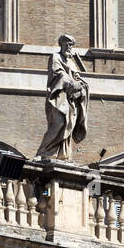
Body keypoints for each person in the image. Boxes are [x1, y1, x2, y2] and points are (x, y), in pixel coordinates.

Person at [35, 34, 89, 162]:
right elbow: (58, 74)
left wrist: (81, 85)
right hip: (58, 96)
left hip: (71, 99)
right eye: (67, 44)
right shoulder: (56, 57)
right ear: (61, 44)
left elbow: (77, 78)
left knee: (69, 125)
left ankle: (63, 154)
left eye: (71, 45)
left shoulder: (71, 62)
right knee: (59, 123)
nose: (69, 47)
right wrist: (71, 83)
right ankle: (44, 151)